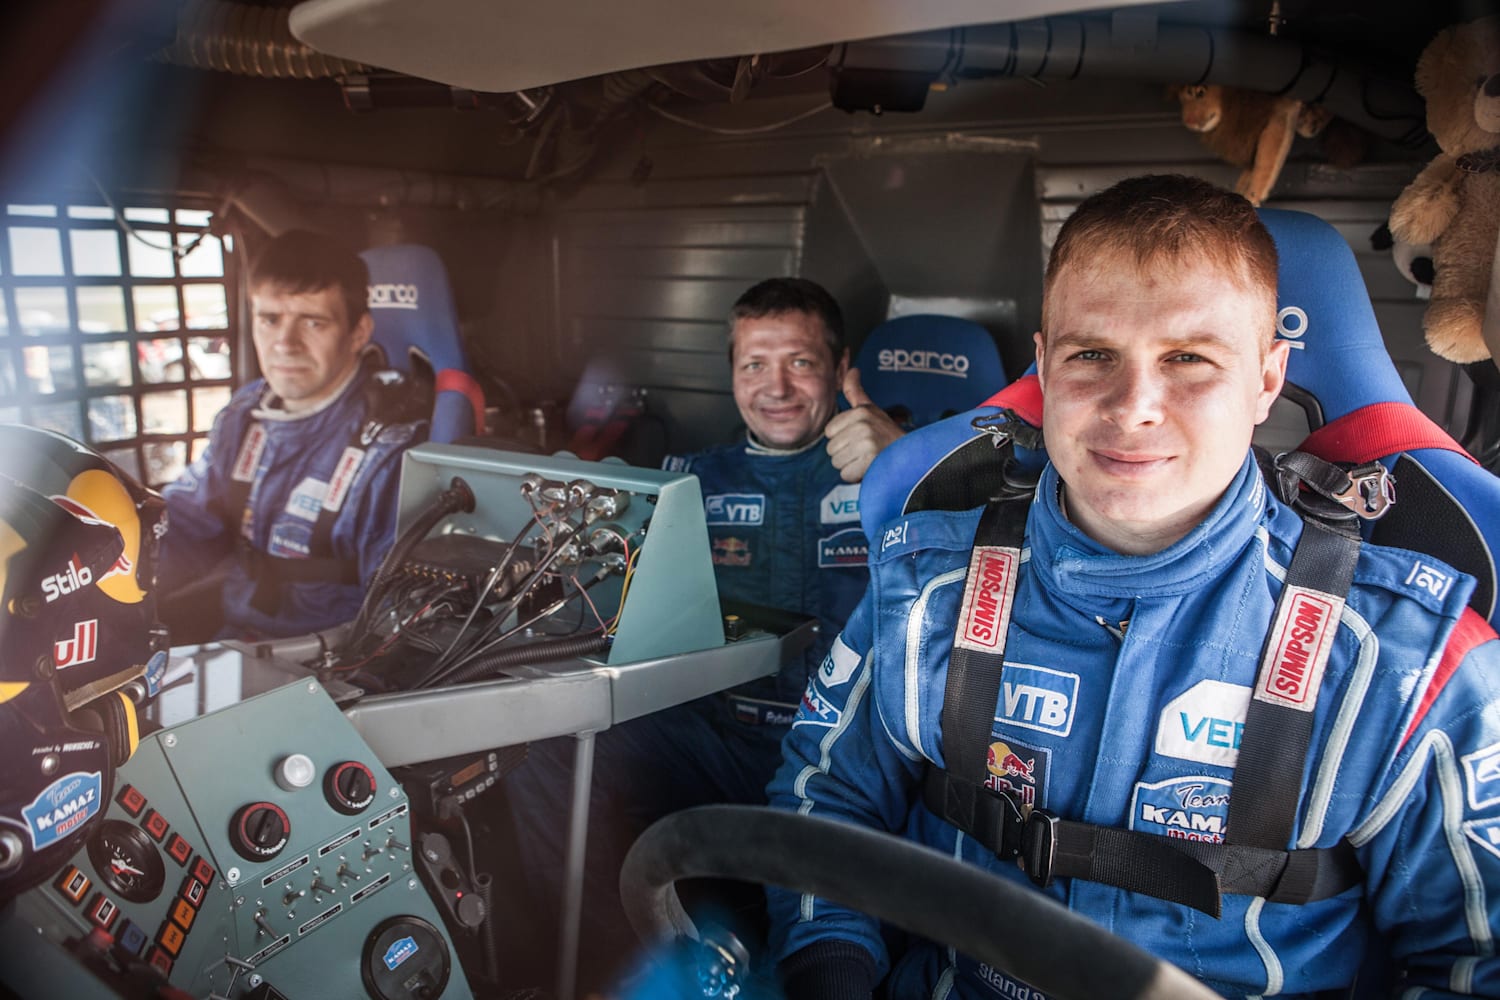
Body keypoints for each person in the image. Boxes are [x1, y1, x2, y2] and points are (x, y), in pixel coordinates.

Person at [766, 175, 1500, 999]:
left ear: (1266, 379)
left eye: (1188, 358)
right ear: (1043, 369)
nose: (1133, 406)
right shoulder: (925, 588)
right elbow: (819, 800)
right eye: (1093, 356)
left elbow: (1475, 964)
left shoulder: (1408, 664)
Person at [503, 276, 905, 988]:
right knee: (549, 748)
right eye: (753, 364)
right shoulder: (686, 482)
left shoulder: (898, 465)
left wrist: (909, 468)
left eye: (800, 363)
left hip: (849, 749)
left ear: (843, 370)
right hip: (715, 737)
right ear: (730, 376)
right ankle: (615, 970)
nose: (775, 387)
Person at [159, 229, 426, 640]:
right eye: (269, 320)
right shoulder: (244, 417)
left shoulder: (389, 450)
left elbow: (395, 624)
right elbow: (185, 524)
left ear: (358, 333)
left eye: (313, 322)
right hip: (236, 642)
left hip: (336, 668)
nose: (285, 343)